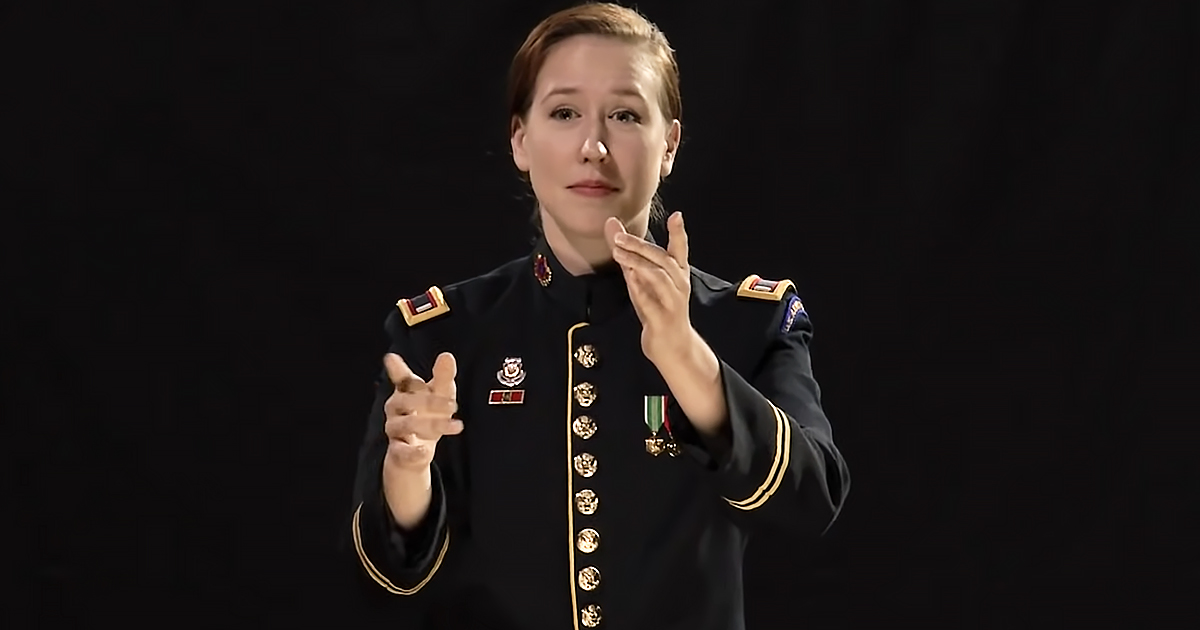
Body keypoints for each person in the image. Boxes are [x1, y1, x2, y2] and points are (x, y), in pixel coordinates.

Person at [341, 3, 850, 628]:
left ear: (670, 143)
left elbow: (812, 501)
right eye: (563, 113)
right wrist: (408, 467)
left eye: (626, 115)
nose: (593, 146)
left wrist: (684, 356)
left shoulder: (751, 322)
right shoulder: (441, 335)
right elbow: (389, 575)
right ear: (520, 141)